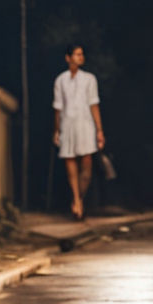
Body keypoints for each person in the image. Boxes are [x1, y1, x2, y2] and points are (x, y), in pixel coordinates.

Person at [52, 44, 105, 221]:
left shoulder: (90, 79)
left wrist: (99, 130)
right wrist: (57, 130)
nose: (80, 57)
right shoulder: (60, 80)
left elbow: (94, 104)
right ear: (68, 58)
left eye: (82, 54)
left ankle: (79, 198)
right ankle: (76, 200)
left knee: (87, 166)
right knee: (70, 163)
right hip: (67, 124)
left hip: (86, 124)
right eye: (77, 54)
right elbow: (58, 108)